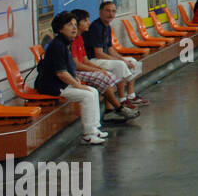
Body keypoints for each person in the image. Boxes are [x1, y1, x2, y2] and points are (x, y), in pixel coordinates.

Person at [36, 12, 106, 145]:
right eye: (69, 25)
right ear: (60, 28)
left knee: (93, 92)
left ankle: (94, 128)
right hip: (53, 87)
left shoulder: (65, 43)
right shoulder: (57, 45)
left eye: (75, 24)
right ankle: (87, 135)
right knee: (86, 95)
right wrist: (77, 85)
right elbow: (61, 73)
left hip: (61, 84)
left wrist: (76, 81)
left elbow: (67, 69)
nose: (74, 28)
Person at [70, 10, 140, 121]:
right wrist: (97, 71)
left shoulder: (80, 38)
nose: (89, 23)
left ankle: (111, 110)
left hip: (83, 67)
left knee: (106, 74)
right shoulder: (71, 41)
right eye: (85, 20)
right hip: (73, 72)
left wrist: (100, 69)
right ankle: (119, 107)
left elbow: (85, 60)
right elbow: (77, 65)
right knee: (104, 76)